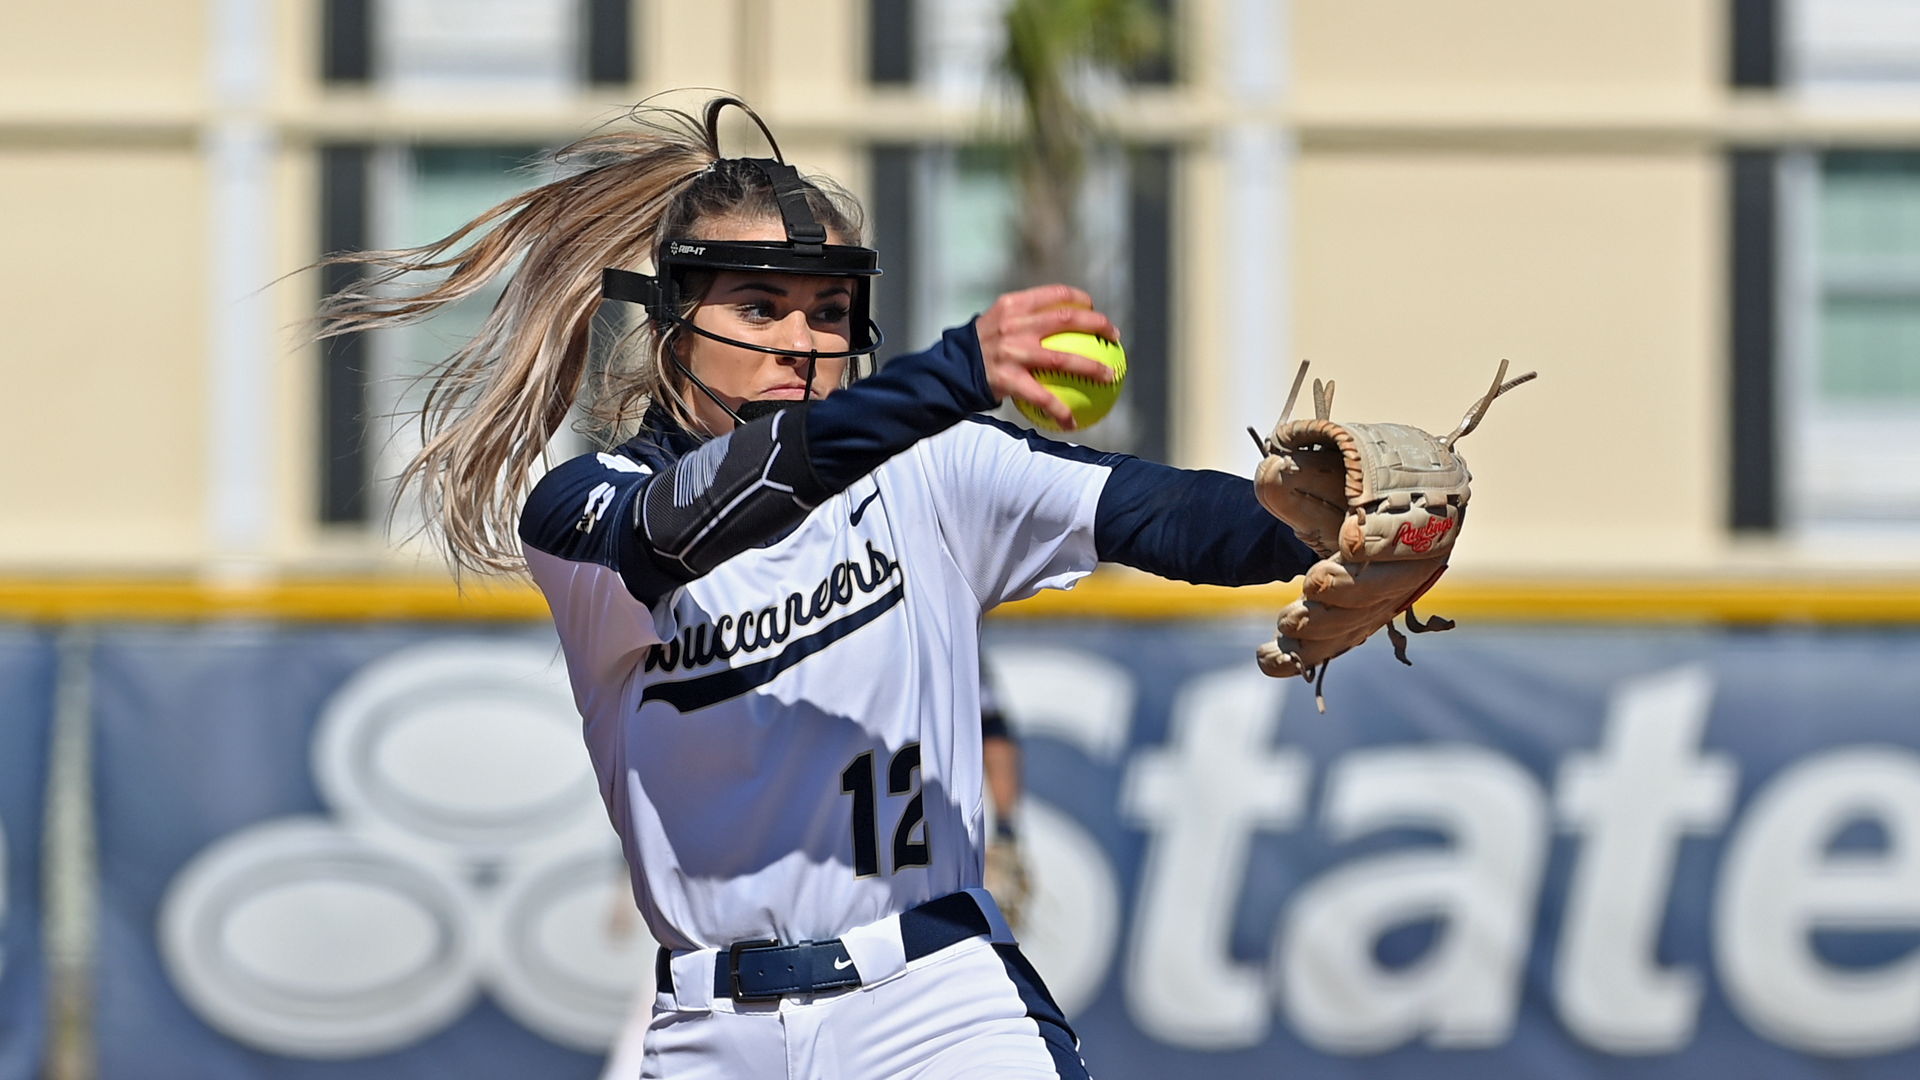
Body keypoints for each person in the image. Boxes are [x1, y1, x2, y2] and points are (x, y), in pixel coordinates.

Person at [320, 97, 1317, 1079]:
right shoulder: (585, 511)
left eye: (829, 312)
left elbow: (1166, 513)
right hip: (711, 1033)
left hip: (935, 1005)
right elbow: (695, 517)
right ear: (671, 319)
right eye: (759, 306)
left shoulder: (935, 469)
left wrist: (1333, 524)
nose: (802, 341)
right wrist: (950, 376)